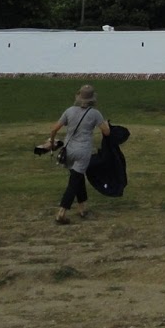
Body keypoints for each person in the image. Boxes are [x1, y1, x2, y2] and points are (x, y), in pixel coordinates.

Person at [46, 84, 109, 224]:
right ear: (92, 99)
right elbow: (106, 132)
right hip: (83, 151)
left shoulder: (69, 111)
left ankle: (83, 208)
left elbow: (54, 130)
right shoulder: (95, 113)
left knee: (78, 177)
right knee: (74, 181)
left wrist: (51, 144)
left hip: (68, 151)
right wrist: (107, 125)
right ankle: (62, 212)